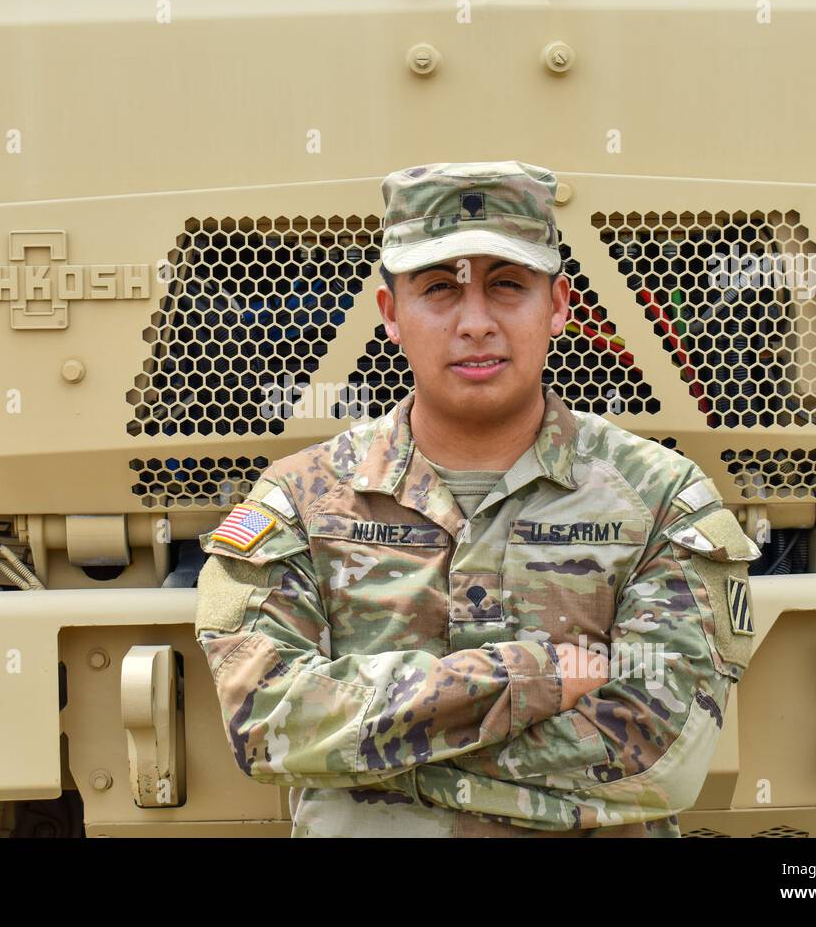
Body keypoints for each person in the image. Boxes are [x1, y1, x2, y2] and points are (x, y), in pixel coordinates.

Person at [193, 160, 760, 837]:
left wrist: (366, 768)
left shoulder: (661, 498)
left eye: (508, 287)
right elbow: (266, 726)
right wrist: (535, 675)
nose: (476, 323)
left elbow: (658, 761)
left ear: (557, 306)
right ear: (391, 314)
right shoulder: (300, 499)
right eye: (439, 289)